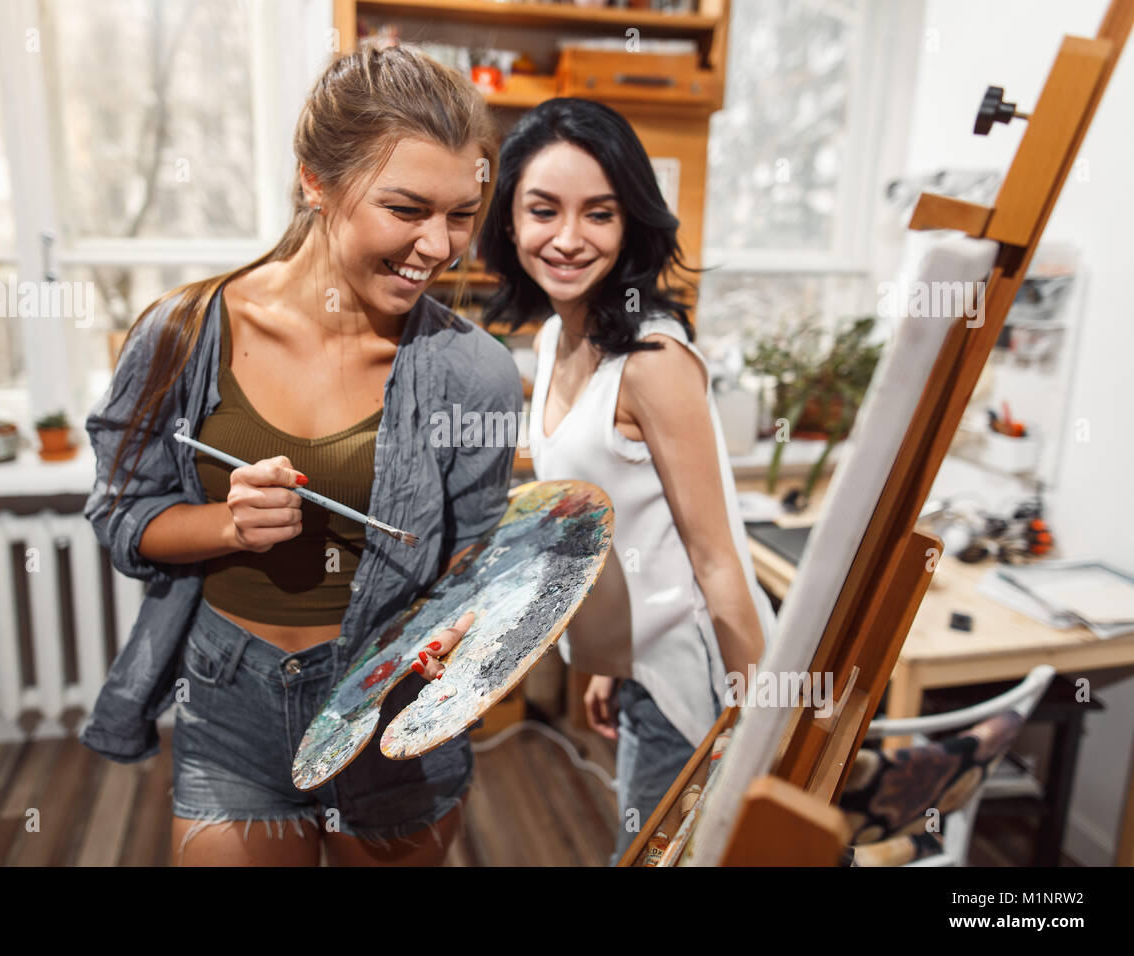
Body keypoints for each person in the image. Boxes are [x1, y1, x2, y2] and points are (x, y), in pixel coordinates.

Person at [79, 44, 522, 866]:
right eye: (406, 208)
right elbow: (120, 516)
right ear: (316, 181)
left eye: (462, 213)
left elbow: (477, 558)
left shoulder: (475, 371)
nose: (439, 246)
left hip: (394, 717)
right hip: (229, 702)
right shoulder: (183, 334)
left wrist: (474, 620)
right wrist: (227, 526)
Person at [477, 97, 776, 864]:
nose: (569, 239)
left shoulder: (654, 363)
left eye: (599, 214)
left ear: (631, 224)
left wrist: (756, 723)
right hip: (647, 670)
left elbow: (718, 559)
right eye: (544, 210)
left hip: (703, 681)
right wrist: (614, 661)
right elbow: (616, 532)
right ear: (510, 220)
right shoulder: (550, 340)